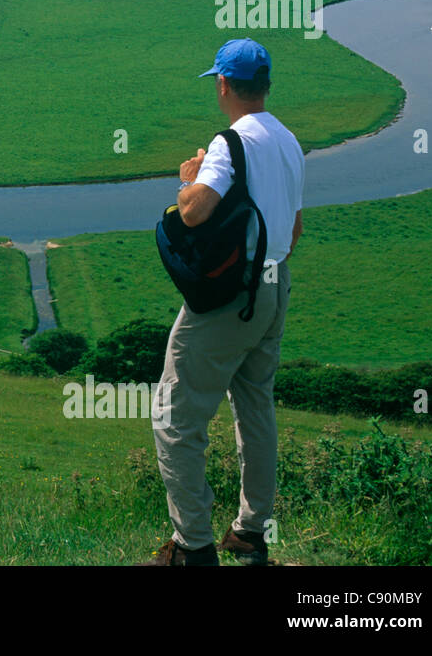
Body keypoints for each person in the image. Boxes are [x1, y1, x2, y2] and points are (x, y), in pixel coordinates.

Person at [144, 38, 304, 566]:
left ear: (223, 85)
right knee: (255, 407)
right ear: (267, 84)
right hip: (275, 287)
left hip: (231, 303)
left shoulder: (229, 143)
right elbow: (294, 228)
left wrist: (188, 180)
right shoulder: (287, 141)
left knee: (174, 419)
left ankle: (192, 545)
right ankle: (251, 531)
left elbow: (194, 212)